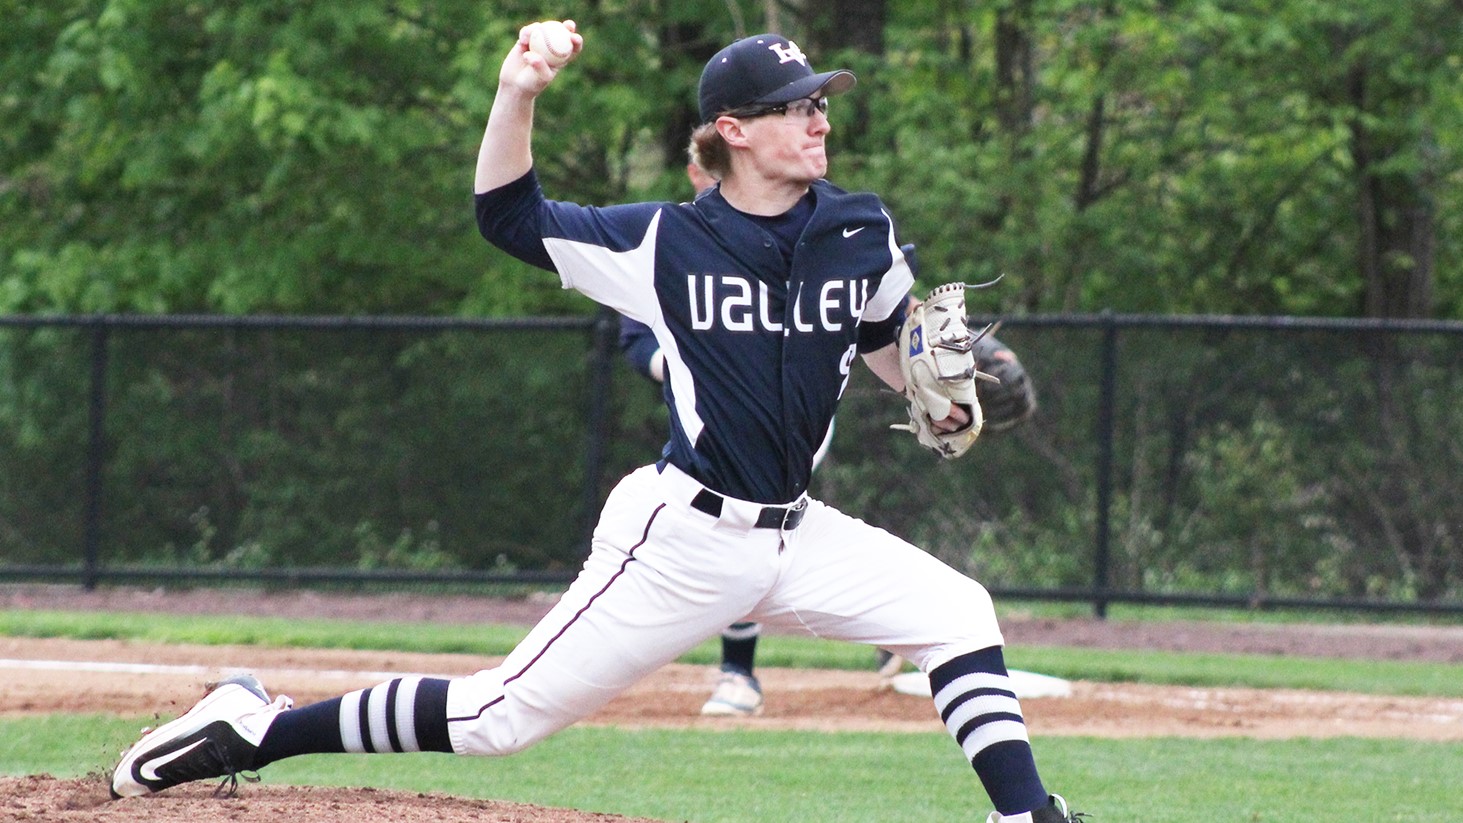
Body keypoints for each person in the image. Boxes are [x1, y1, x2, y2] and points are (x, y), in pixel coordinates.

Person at [109, 23, 1082, 823]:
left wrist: (941, 384)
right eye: (796, 108)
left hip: (794, 531)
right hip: (682, 535)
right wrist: (517, 91)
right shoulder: (664, 240)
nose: (818, 120)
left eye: (822, 102)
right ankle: (254, 725)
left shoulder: (858, 230)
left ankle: (1023, 815)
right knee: (498, 717)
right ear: (732, 130)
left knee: (956, 613)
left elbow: (883, 345)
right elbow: (506, 215)